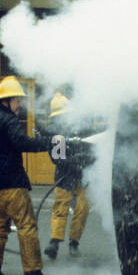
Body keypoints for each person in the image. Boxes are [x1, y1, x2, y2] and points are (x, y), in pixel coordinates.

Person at [0, 76, 59, 275]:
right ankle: (33, 272)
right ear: (6, 101)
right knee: (26, 225)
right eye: (17, 100)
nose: (20, 104)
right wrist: (48, 143)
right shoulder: (8, 120)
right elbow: (20, 142)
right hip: (11, 183)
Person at [42, 93, 92, 260]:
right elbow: (57, 158)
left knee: (83, 208)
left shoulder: (81, 127)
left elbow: (91, 148)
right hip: (64, 176)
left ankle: (74, 243)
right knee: (60, 208)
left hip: (82, 176)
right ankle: (54, 243)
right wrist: (73, 162)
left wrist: (84, 160)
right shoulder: (54, 133)